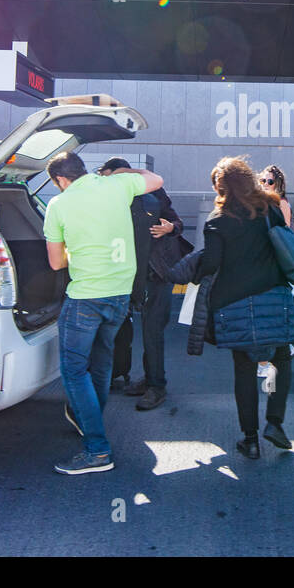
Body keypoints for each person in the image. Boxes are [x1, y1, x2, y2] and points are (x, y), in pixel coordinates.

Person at [44, 150, 163, 475]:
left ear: (61, 180)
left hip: (85, 297)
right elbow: (157, 180)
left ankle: (97, 449)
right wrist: (121, 173)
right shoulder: (118, 185)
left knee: (73, 370)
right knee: (101, 363)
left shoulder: (59, 205)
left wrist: (78, 249)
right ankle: (88, 423)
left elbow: (56, 262)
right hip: (120, 295)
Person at [196, 156, 294, 460]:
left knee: (243, 370)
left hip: (235, 303)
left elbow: (212, 264)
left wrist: (192, 266)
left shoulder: (217, 220)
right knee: (281, 359)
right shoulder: (269, 209)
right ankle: (275, 424)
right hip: (275, 297)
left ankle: (250, 440)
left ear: (221, 187)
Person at [101, 158, 187, 410]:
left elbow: (177, 222)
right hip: (125, 273)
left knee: (152, 331)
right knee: (121, 328)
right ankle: (140, 376)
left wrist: (170, 228)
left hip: (155, 273)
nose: (108, 180)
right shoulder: (109, 197)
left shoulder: (152, 190)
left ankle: (156, 386)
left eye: (112, 175)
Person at [259, 164, 294, 240]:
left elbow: (285, 231)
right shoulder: (264, 202)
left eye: (270, 182)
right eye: (263, 181)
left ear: (277, 184)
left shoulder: (282, 203)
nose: (265, 184)